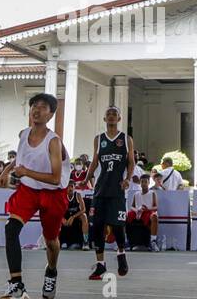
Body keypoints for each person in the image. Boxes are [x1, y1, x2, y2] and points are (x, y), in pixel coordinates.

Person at [0, 93, 70, 299]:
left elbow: (56, 178)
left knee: (50, 241)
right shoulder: (23, 134)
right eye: (34, 106)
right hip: (29, 189)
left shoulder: (53, 142)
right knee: (11, 229)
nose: (37, 110)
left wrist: (25, 171)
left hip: (53, 193)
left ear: (50, 114)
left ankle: (51, 270)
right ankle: (17, 286)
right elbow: (21, 158)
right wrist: (7, 170)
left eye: (43, 107)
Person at [88, 106, 134, 281]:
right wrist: (86, 177)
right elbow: (94, 162)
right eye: (108, 114)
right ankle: (100, 265)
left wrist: (128, 178)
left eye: (114, 114)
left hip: (117, 189)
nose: (111, 116)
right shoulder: (99, 139)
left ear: (119, 118)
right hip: (100, 189)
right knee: (97, 227)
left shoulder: (126, 139)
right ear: (104, 119)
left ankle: (121, 253)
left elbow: (131, 162)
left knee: (117, 224)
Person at [131, 174, 160, 250]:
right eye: (142, 182)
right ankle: (127, 241)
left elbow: (156, 207)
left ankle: (153, 241)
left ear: (148, 183)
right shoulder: (136, 194)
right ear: (140, 183)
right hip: (138, 213)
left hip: (148, 212)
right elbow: (132, 206)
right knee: (125, 216)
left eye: (145, 182)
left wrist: (147, 209)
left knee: (154, 216)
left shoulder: (152, 193)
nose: (143, 184)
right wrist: (137, 210)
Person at [60, 184, 88, 249]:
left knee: (84, 216)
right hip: (65, 216)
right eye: (68, 187)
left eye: (72, 186)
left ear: (74, 187)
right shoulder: (62, 195)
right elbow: (56, 209)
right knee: (53, 216)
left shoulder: (77, 195)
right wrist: (61, 218)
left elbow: (83, 209)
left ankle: (85, 242)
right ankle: (53, 240)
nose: (70, 188)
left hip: (75, 217)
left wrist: (73, 217)